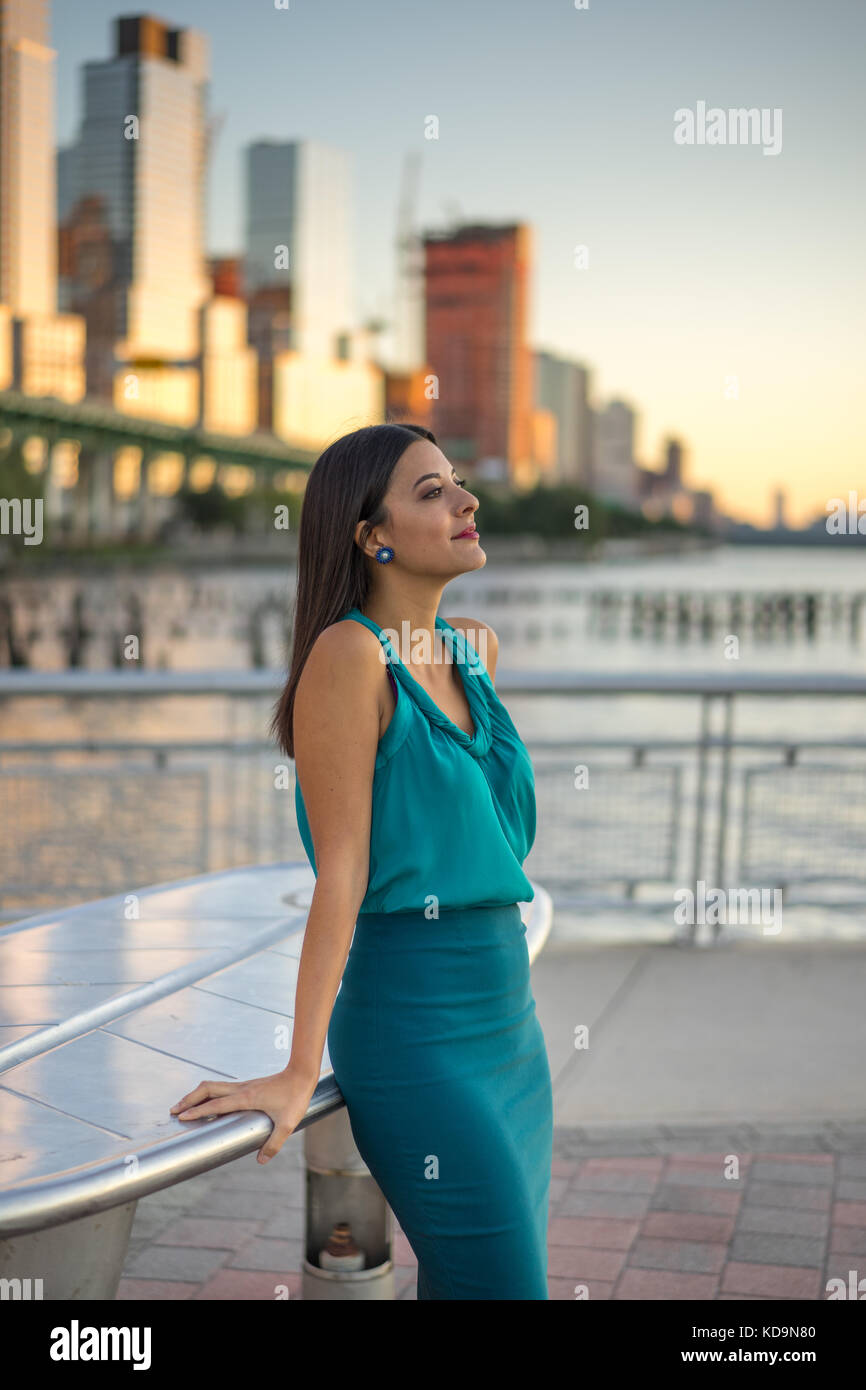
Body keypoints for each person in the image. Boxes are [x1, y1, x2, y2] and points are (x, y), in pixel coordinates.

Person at [170, 423, 553, 1299]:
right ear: (371, 535)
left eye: (458, 482)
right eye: (432, 492)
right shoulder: (348, 657)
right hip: (417, 1036)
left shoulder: (476, 648)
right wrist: (298, 1069)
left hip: (512, 1029)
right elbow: (340, 876)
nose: (467, 501)